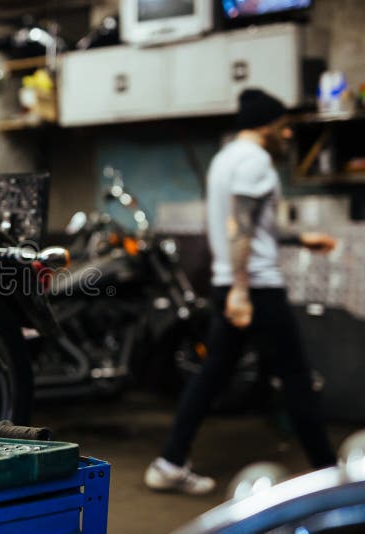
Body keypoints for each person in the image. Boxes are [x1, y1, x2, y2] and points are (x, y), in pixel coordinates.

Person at [144, 88, 338, 495]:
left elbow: (258, 225)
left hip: (231, 282)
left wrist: (303, 238)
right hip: (255, 286)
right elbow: (241, 228)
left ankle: (169, 462)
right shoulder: (255, 161)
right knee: (297, 378)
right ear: (266, 125)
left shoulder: (226, 159)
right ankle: (333, 478)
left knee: (212, 374)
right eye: (284, 127)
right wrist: (242, 291)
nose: (287, 136)